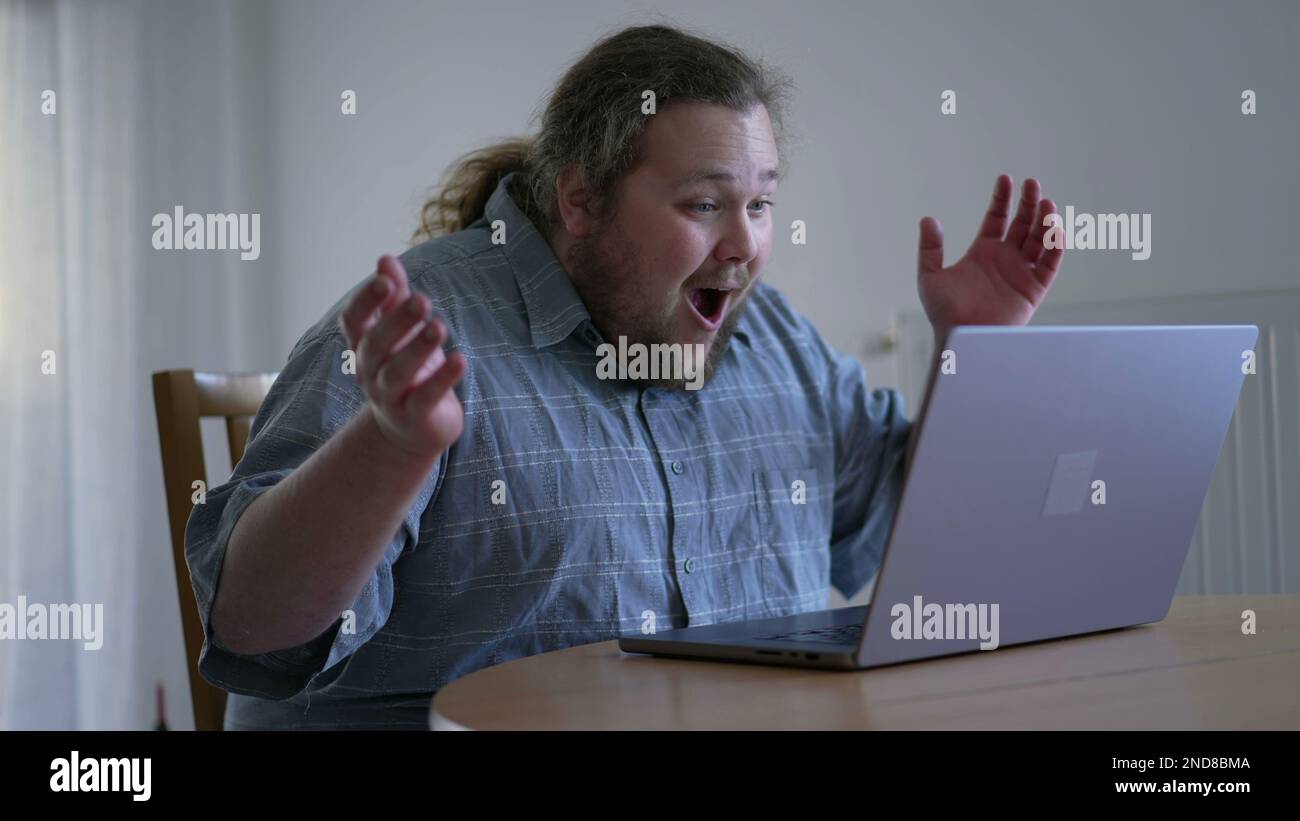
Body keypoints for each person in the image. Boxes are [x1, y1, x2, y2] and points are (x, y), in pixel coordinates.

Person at [185, 23, 1063, 729]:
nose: (746, 245)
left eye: (760, 205)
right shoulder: (418, 335)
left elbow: (906, 522)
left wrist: (973, 353)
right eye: (705, 204)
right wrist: (390, 444)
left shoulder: (775, 338)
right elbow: (252, 629)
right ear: (580, 199)